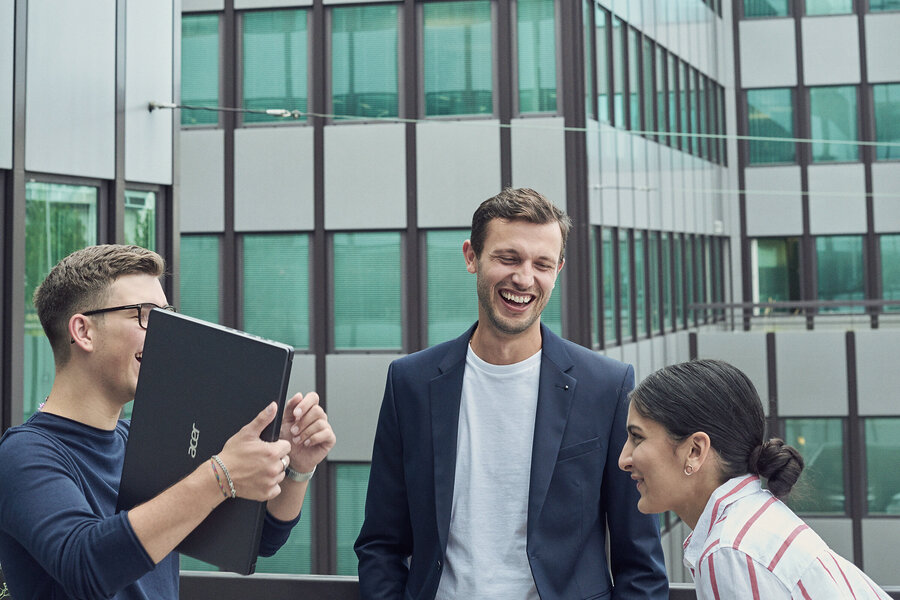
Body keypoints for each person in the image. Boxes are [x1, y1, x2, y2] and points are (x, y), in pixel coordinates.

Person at [355, 188, 668, 599]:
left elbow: (640, 563)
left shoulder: (606, 386)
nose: (524, 278)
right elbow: (381, 543)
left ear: (558, 269)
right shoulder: (410, 382)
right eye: (508, 258)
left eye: (542, 264)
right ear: (471, 257)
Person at [0, 244, 336, 600]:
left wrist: (295, 466)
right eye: (144, 316)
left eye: (167, 316)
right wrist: (219, 476)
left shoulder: (144, 436)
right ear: (83, 331)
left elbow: (257, 538)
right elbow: (86, 565)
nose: (164, 333)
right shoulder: (24, 454)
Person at [618, 358, 891, 600]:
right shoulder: (748, 525)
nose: (623, 459)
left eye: (637, 437)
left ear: (695, 451)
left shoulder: (731, 550)